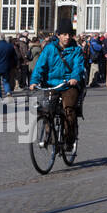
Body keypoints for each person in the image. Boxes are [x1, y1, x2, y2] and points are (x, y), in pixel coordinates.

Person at [30, 20, 85, 151]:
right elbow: (40, 66)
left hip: (68, 85)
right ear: (58, 35)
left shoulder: (76, 50)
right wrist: (34, 81)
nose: (67, 37)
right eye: (64, 34)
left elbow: (78, 66)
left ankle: (69, 138)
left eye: (69, 34)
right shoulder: (49, 49)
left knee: (68, 111)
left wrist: (74, 78)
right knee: (47, 110)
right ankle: (50, 135)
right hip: (51, 84)